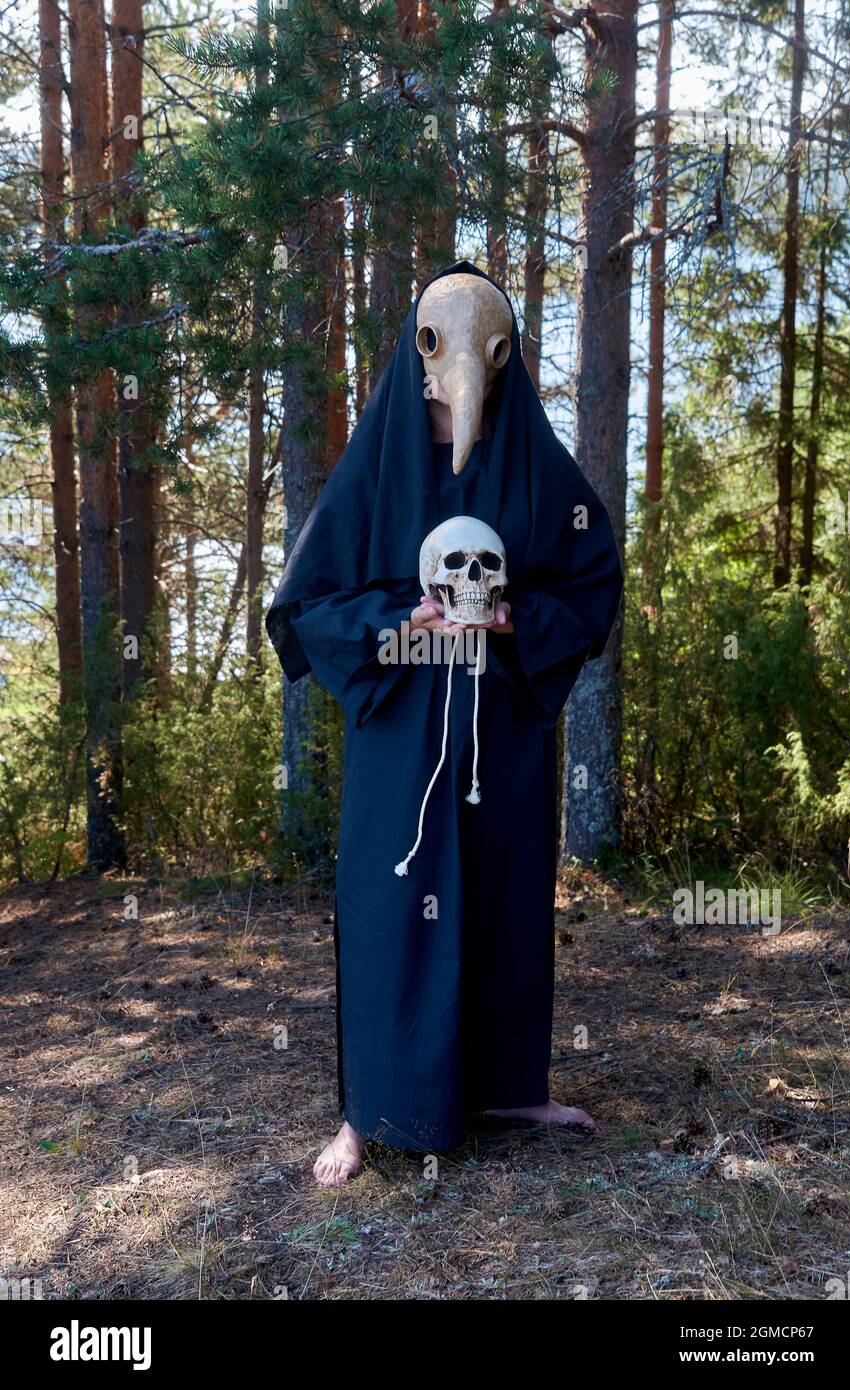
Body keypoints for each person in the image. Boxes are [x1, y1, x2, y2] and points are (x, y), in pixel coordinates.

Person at [267, 262, 623, 1186]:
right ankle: (369, 1111)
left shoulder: (534, 463)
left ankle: (510, 1085)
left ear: (502, 361)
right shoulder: (379, 458)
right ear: (417, 355)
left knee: (503, 895)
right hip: (403, 725)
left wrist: (515, 622)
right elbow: (308, 603)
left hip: (500, 726)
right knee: (390, 906)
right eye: (436, 351)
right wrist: (397, 625)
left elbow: (590, 580)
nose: (452, 381)